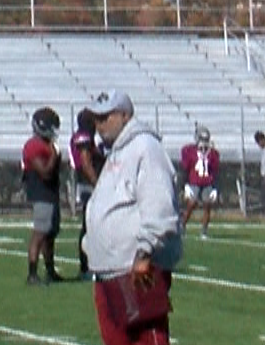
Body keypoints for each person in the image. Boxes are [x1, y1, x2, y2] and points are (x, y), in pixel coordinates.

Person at [82, 90, 181, 345]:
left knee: (146, 338)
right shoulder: (117, 151)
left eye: (106, 117)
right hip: (109, 269)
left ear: (125, 115)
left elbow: (158, 204)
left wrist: (144, 252)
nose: (100, 124)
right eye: (96, 119)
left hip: (134, 268)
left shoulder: (145, 148)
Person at [23, 107, 65, 284]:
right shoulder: (34, 146)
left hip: (50, 193)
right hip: (42, 193)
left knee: (50, 234)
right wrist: (55, 156)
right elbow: (45, 172)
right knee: (40, 233)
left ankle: (50, 270)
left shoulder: (45, 144)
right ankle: (32, 274)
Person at [71, 108, 106, 278]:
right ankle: (86, 267)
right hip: (88, 185)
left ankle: (89, 266)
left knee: (91, 226)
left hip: (88, 184)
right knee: (90, 227)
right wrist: (98, 183)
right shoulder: (83, 137)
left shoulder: (86, 137)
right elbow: (85, 163)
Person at [177, 126, 219, 239]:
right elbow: (185, 169)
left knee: (207, 205)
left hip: (207, 182)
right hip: (193, 181)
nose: (204, 142)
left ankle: (204, 231)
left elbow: (215, 171)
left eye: (206, 140)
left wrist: (215, 187)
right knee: (191, 204)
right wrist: (185, 185)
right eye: (202, 139)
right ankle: (182, 226)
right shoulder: (189, 151)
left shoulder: (213, 153)